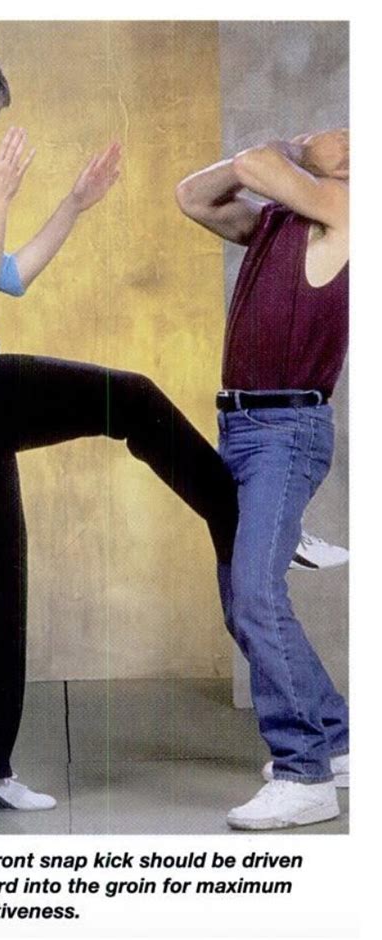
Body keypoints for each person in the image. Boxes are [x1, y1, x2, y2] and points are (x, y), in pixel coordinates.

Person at [0, 36, 241, 815]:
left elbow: (10, 275)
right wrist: (1, 199)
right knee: (131, 400)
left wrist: (73, 203)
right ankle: (243, 519)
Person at [176, 129, 349, 829]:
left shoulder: (348, 208)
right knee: (240, 600)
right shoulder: (282, 221)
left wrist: (290, 147)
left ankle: (306, 774)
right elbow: (193, 196)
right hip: (241, 428)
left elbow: (253, 163)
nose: (334, 134)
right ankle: (337, 740)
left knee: (255, 594)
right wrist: (294, 152)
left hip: (287, 430)